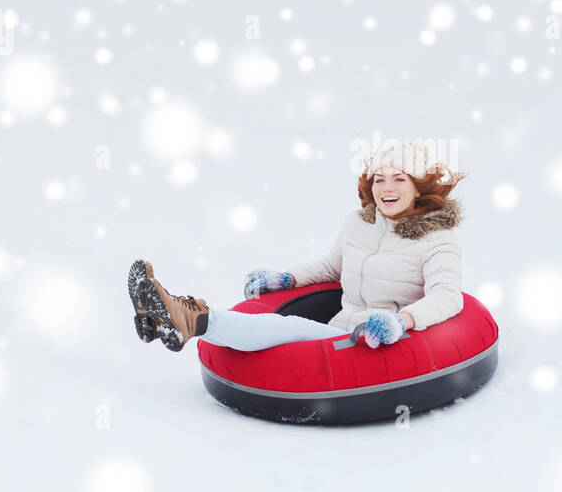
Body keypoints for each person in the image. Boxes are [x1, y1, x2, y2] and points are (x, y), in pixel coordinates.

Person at [128, 139, 466, 352]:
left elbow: (447, 296)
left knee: (287, 328)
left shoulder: (438, 239)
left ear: (419, 188)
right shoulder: (358, 224)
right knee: (283, 331)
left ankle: (191, 319)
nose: (386, 188)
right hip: (340, 328)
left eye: (399, 178)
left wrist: (401, 322)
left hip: (380, 341)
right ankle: (168, 321)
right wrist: (284, 279)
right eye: (380, 179)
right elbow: (331, 268)